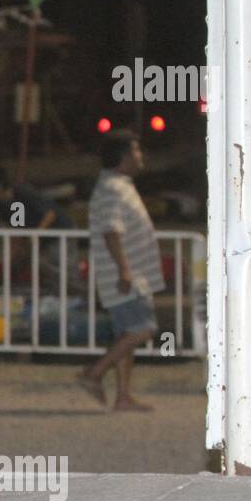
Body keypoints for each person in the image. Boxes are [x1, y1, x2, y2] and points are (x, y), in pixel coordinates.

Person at [77, 130, 164, 412]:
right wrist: (125, 272)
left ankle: (123, 396)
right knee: (144, 328)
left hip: (129, 274)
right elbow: (111, 232)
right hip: (126, 277)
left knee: (126, 334)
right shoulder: (113, 189)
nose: (141, 157)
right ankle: (93, 374)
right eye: (136, 151)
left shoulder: (117, 185)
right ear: (124, 157)